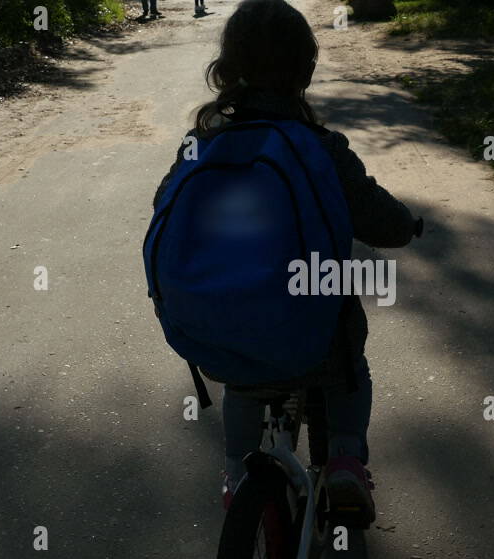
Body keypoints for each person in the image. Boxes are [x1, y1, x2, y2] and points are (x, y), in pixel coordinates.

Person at [152, 0, 422, 521]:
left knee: (244, 383)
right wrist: (406, 227)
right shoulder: (319, 146)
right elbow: (379, 219)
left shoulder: (202, 142)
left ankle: (236, 470)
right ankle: (344, 460)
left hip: (220, 326)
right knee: (348, 364)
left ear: (227, 70)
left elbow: (164, 203)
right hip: (310, 329)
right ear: (306, 70)